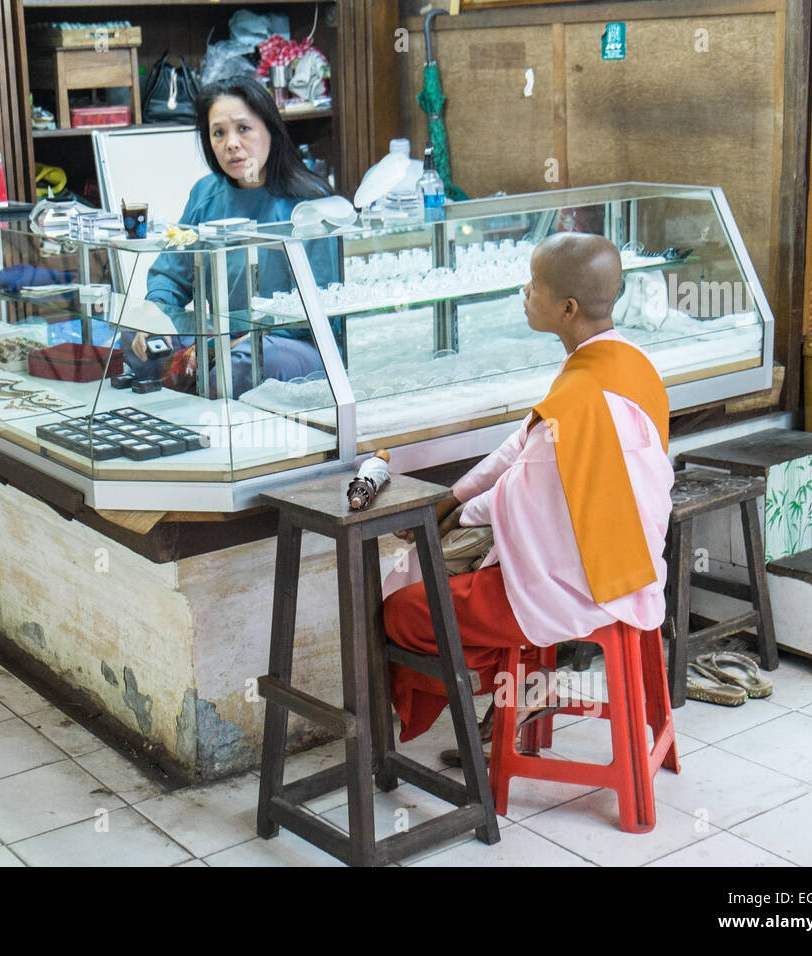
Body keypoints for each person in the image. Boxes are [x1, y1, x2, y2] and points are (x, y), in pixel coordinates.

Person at [382, 232, 673, 754]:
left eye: (534, 284)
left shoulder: (581, 397)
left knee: (404, 608)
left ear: (566, 307)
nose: (524, 291)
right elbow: (521, 445)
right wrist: (451, 497)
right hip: (633, 565)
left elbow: (516, 497)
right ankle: (525, 686)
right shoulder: (627, 364)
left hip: (578, 585)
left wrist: (450, 518)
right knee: (447, 582)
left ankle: (523, 684)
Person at [125, 75, 340, 397]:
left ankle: (199, 385)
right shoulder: (205, 194)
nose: (232, 144)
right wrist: (154, 318)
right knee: (134, 340)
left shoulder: (311, 202)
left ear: (270, 129)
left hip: (288, 343)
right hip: (219, 334)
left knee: (241, 363)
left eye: (244, 128)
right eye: (218, 133)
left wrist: (226, 342)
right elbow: (171, 275)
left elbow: (322, 307)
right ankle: (200, 380)